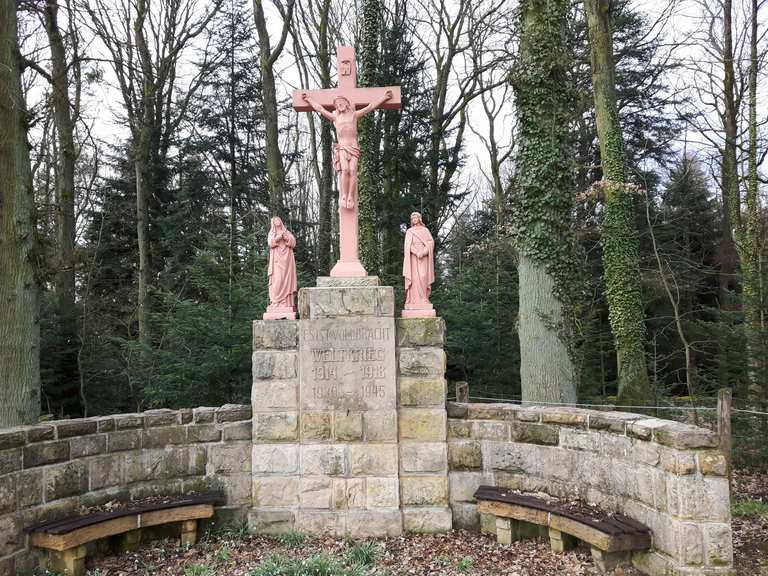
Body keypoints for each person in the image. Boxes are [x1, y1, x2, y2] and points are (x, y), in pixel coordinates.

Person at [301, 90, 392, 210]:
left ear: (346, 103)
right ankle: (343, 195)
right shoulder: (335, 117)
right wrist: (309, 99)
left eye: (341, 102)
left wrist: (384, 98)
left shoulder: (354, 115)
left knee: (353, 170)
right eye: (336, 103)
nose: (339, 104)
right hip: (343, 147)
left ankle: (350, 196)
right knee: (345, 170)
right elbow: (320, 109)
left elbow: (370, 107)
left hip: (353, 147)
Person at [403, 212, 436, 317]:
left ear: (419, 218)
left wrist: (424, 251)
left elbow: (431, 243)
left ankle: (424, 298)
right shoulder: (410, 231)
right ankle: (413, 300)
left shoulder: (425, 230)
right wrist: (417, 252)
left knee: (423, 277)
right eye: (412, 218)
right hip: (413, 258)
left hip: (424, 257)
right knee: (414, 279)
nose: (414, 219)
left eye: (415, 217)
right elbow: (408, 245)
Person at [264, 217, 297, 319]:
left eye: (278, 220)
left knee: (286, 279)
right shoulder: (272, 233)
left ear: (281, 222)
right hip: (276, 260)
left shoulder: (286, 232)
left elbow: (293, 242)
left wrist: (287, 238)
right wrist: (278, 238)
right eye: (275, 221)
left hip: (287, 259)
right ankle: (276, 302)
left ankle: (286, 303)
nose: (277, 222)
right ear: (273, 223)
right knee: (277, 280)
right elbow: (270, 243)